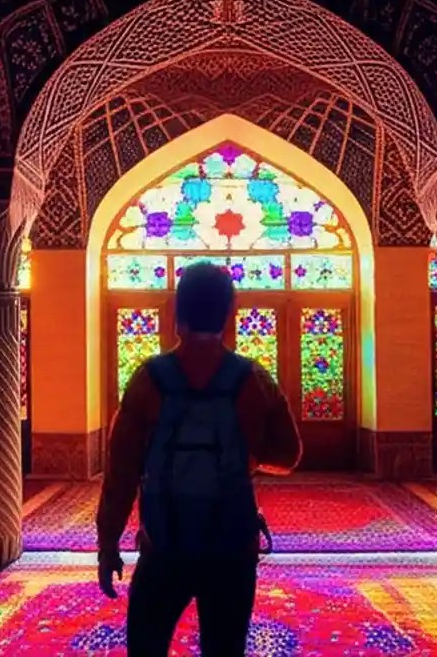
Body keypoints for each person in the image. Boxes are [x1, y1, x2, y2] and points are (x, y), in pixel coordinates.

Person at [95, 261, 302, 656]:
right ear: (229, 316)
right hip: (231, 550)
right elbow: (290, 455)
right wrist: (244, 457)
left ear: (175, 313)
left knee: (147, 646)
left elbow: (120, 475)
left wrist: (108, 546)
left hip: (163, 547)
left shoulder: (149, 380)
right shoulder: (252, 379)